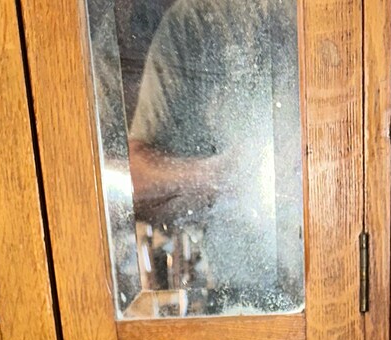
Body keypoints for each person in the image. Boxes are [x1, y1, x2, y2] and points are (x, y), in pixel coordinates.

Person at [126, 0, 304, 312]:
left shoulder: (331, 15)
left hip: (342, 290)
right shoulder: (195, 21)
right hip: (245, 302)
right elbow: (136, 184)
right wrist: (221, 177)